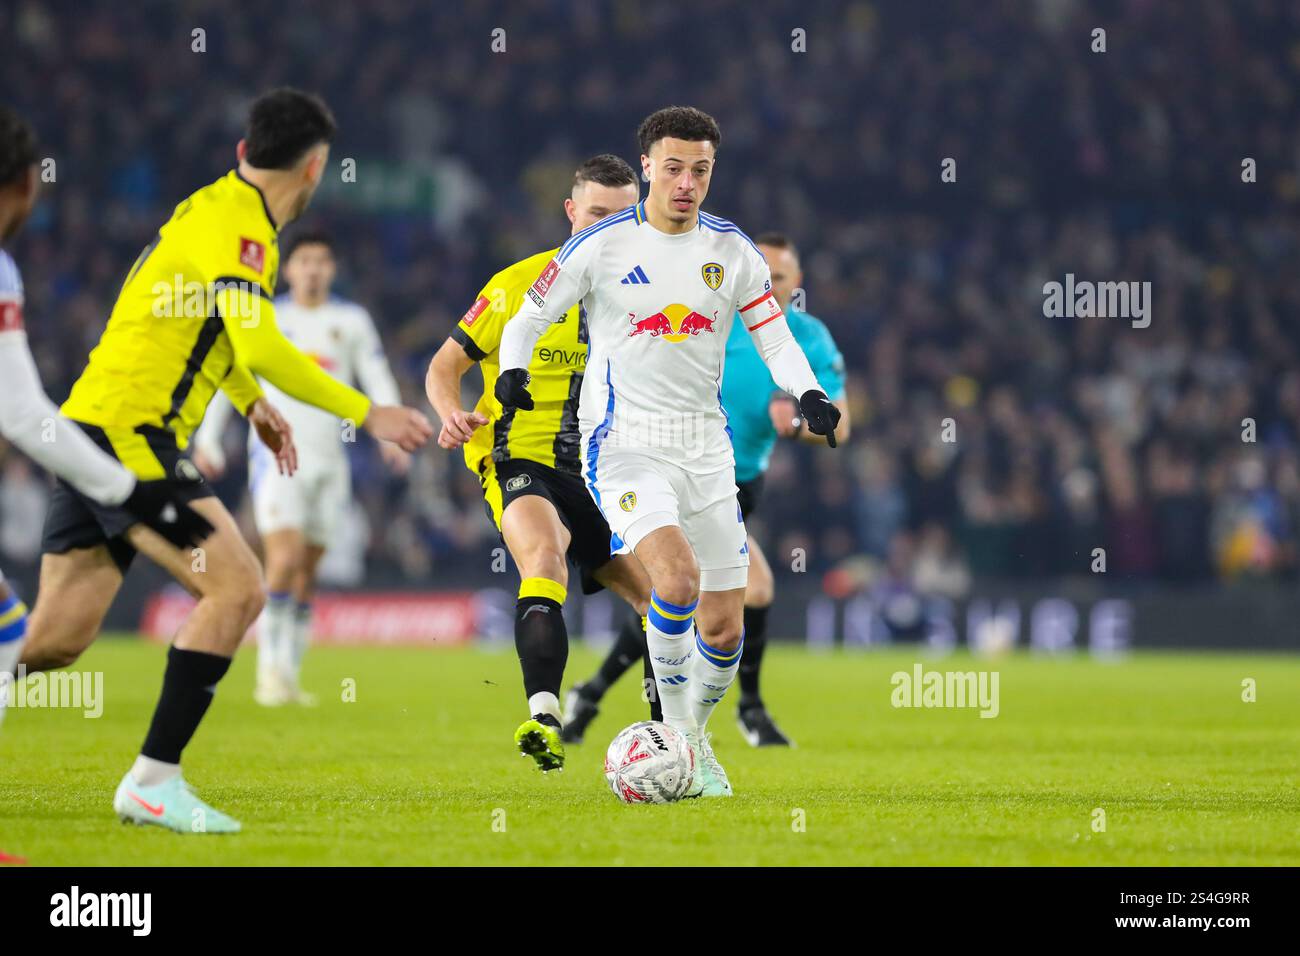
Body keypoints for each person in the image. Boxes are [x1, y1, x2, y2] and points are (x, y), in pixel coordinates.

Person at [17, 88, 433, 834]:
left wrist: (246, 401)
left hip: (93, 425)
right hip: (131, 435)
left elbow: (194, 320)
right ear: (314, 168)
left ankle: (151, 780)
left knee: (51, 641)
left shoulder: (210, 206)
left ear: (245, 153)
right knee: (236, 592)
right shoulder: (244, 231)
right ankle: (154, 781)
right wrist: (368, 411)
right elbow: (263, 341)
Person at [495, 107, 841, 796]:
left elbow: (774, 338)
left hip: (706, 450)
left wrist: (808, 393)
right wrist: (513, 369)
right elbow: (531, 314)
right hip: (624, 445)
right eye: (675, 167)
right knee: (675, 582)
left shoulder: (732, 251)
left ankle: (695, 736)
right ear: (648, 165)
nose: (687, 183)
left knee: (724, 625)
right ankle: (681, 744)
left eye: (701, 170)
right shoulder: (601, 246)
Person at [563, 232, 850, 747]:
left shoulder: (807, 338)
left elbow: (838, 424)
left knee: (690, 597)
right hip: (662, 472)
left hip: (734, 482)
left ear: (795, 282)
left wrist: (799, 422)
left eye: (782, 278)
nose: (773, 286)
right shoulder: (712, 314)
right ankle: (736, 713)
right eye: (768, 275)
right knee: (695, 587)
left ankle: (595, 695)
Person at [426, 154, 651, 773]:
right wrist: (449, 411)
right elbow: (445, 367)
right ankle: (545, 716)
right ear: (571, 212)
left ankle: (670, 734)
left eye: (622, 217)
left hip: (607, 471)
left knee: (662, 600)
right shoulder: (516, 286)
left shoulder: (642, 295)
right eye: (596, 215)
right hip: (519, 455)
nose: (607, 228)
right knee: (544, 557)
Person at [0, 105, 214, 735]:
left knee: (29, 637)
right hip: (113, 452)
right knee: (11, 636)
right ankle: (154, 779)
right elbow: (19, 413)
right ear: (23, 187)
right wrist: (127, 491)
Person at [193, 229, 410, 707]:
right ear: (287, 269)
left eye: (322, 261)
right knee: (284, 561)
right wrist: (208, 438)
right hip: (276, 459)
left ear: (332, 269)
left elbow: (375, 373)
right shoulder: (266, 318)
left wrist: (390, 424)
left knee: (309, 572)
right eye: (304, 260)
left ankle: (289, 673)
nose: (313, 269)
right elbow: (232, 377)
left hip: (330, 463)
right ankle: (268, 673)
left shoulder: (349, 320)